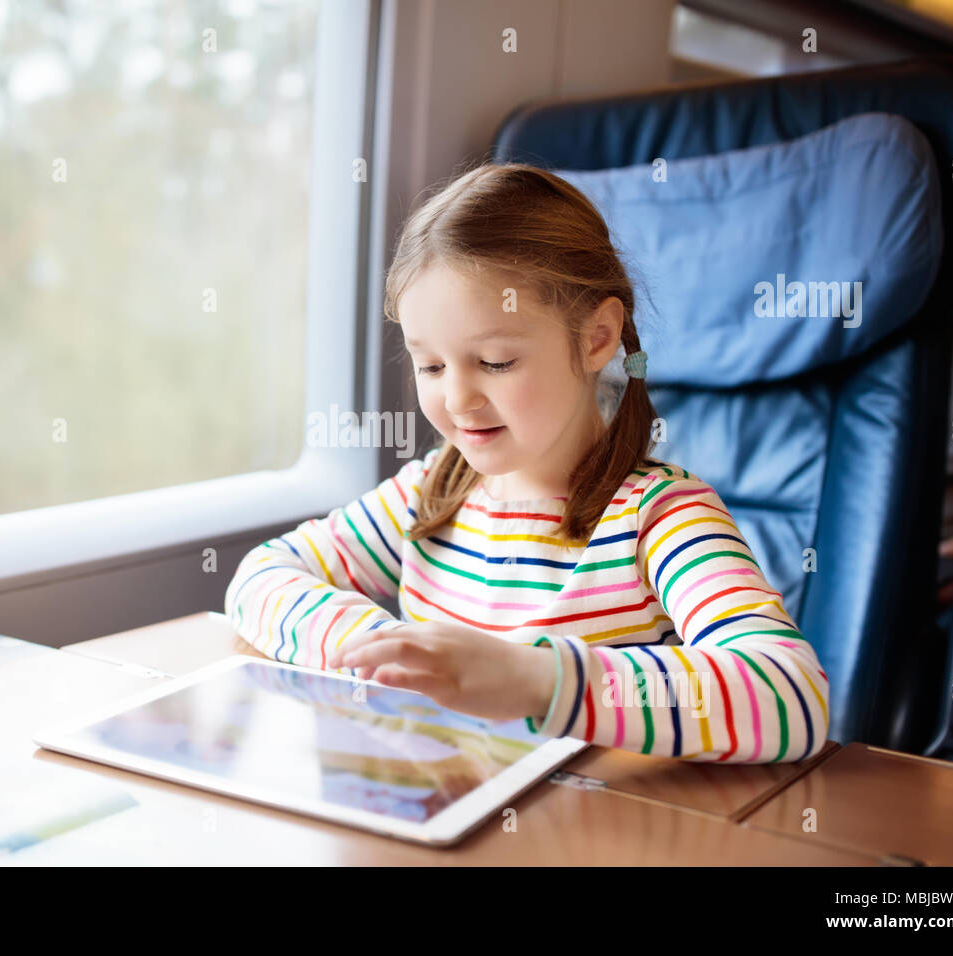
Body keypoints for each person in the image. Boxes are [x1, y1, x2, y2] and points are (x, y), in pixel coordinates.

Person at [223, 162, 829, 763]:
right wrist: (384, 647)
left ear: (596, 338)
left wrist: (538, 681)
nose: (456, 398)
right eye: (431, 366)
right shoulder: (431, 493)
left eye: (496, 362)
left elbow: (790, 695)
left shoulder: (660, 518)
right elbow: (260, 576)